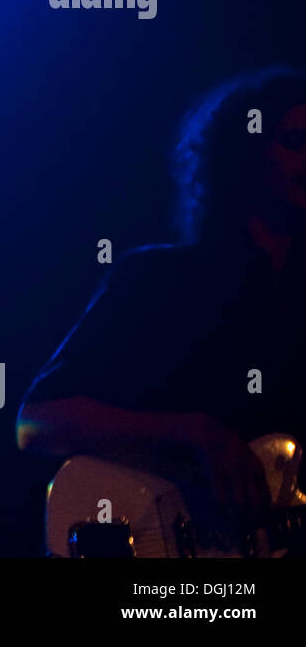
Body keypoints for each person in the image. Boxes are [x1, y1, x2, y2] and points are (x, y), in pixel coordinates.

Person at [16, 67, 306, 535]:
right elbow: (37, 422)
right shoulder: (162, 277)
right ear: (246, 157)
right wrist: (196, 433)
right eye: (294, 142)